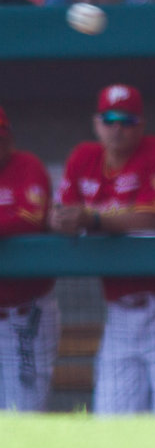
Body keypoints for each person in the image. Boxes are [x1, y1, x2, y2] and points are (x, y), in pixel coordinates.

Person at [49, 84, 155, 414]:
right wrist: (57, 219)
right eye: (110, 119)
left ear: (141, 124)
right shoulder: (83, 158)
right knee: (112, 417)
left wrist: (92, 218)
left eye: (127, 120)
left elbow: (151, 219)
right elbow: (63, 211)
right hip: (121, 308)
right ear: (97, 123)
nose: (118, 128)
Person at [0, 104, 57, 412]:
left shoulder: (27, 165)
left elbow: (29, 219)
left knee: (25, 418)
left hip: (25, 314)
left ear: (9, 137)